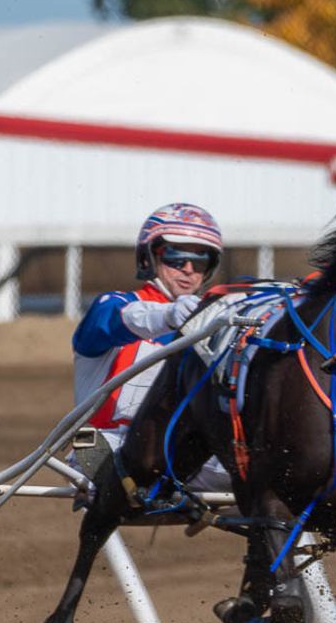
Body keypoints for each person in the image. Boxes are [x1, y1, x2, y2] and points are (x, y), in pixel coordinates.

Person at [71, 203, 232, 491]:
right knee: (100, 461)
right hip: (104, 441)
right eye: (175, 257)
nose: (188, 270)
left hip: (177, 447)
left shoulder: (211, 323)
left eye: (200, 262)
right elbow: (125, 318)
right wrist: (168, 316)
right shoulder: (114, 306)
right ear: (149, 257)